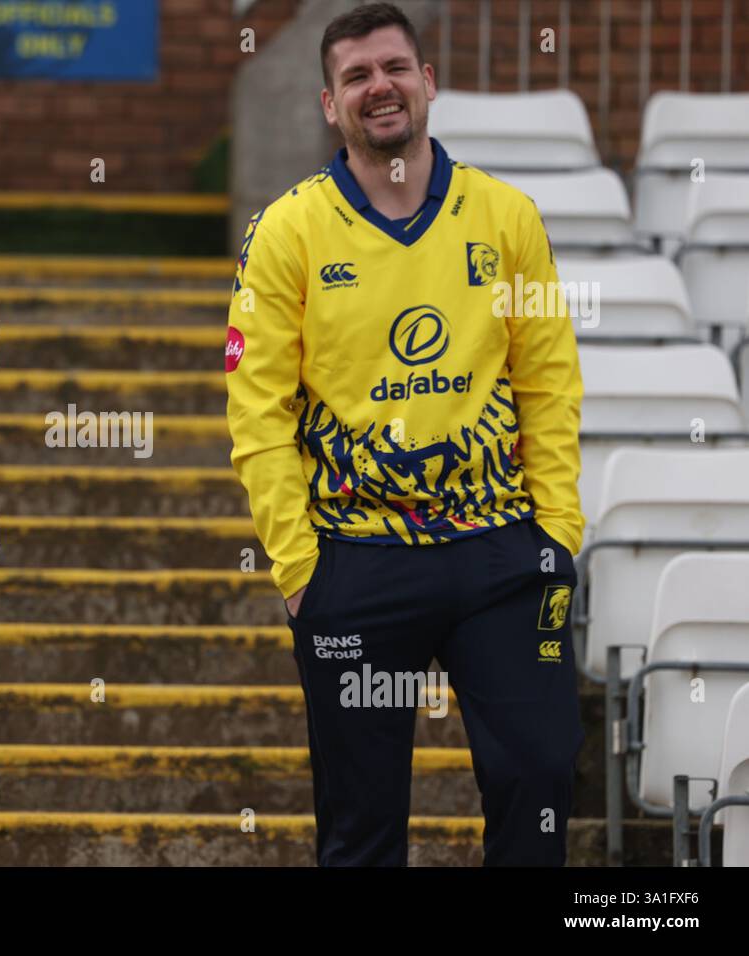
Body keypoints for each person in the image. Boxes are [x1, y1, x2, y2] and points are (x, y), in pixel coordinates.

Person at [225, 2, 585, 866]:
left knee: (538, 778)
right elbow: (258, 408)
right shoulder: (286, 232)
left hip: (502, 553)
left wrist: (559, 532)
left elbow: (548, 382)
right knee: (361, 821)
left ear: (427, 83)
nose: (377, 88)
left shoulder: (507, 218)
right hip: (356, 561)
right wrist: (301, 567)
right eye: (356, 76)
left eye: (393, 68)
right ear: (329, 103)